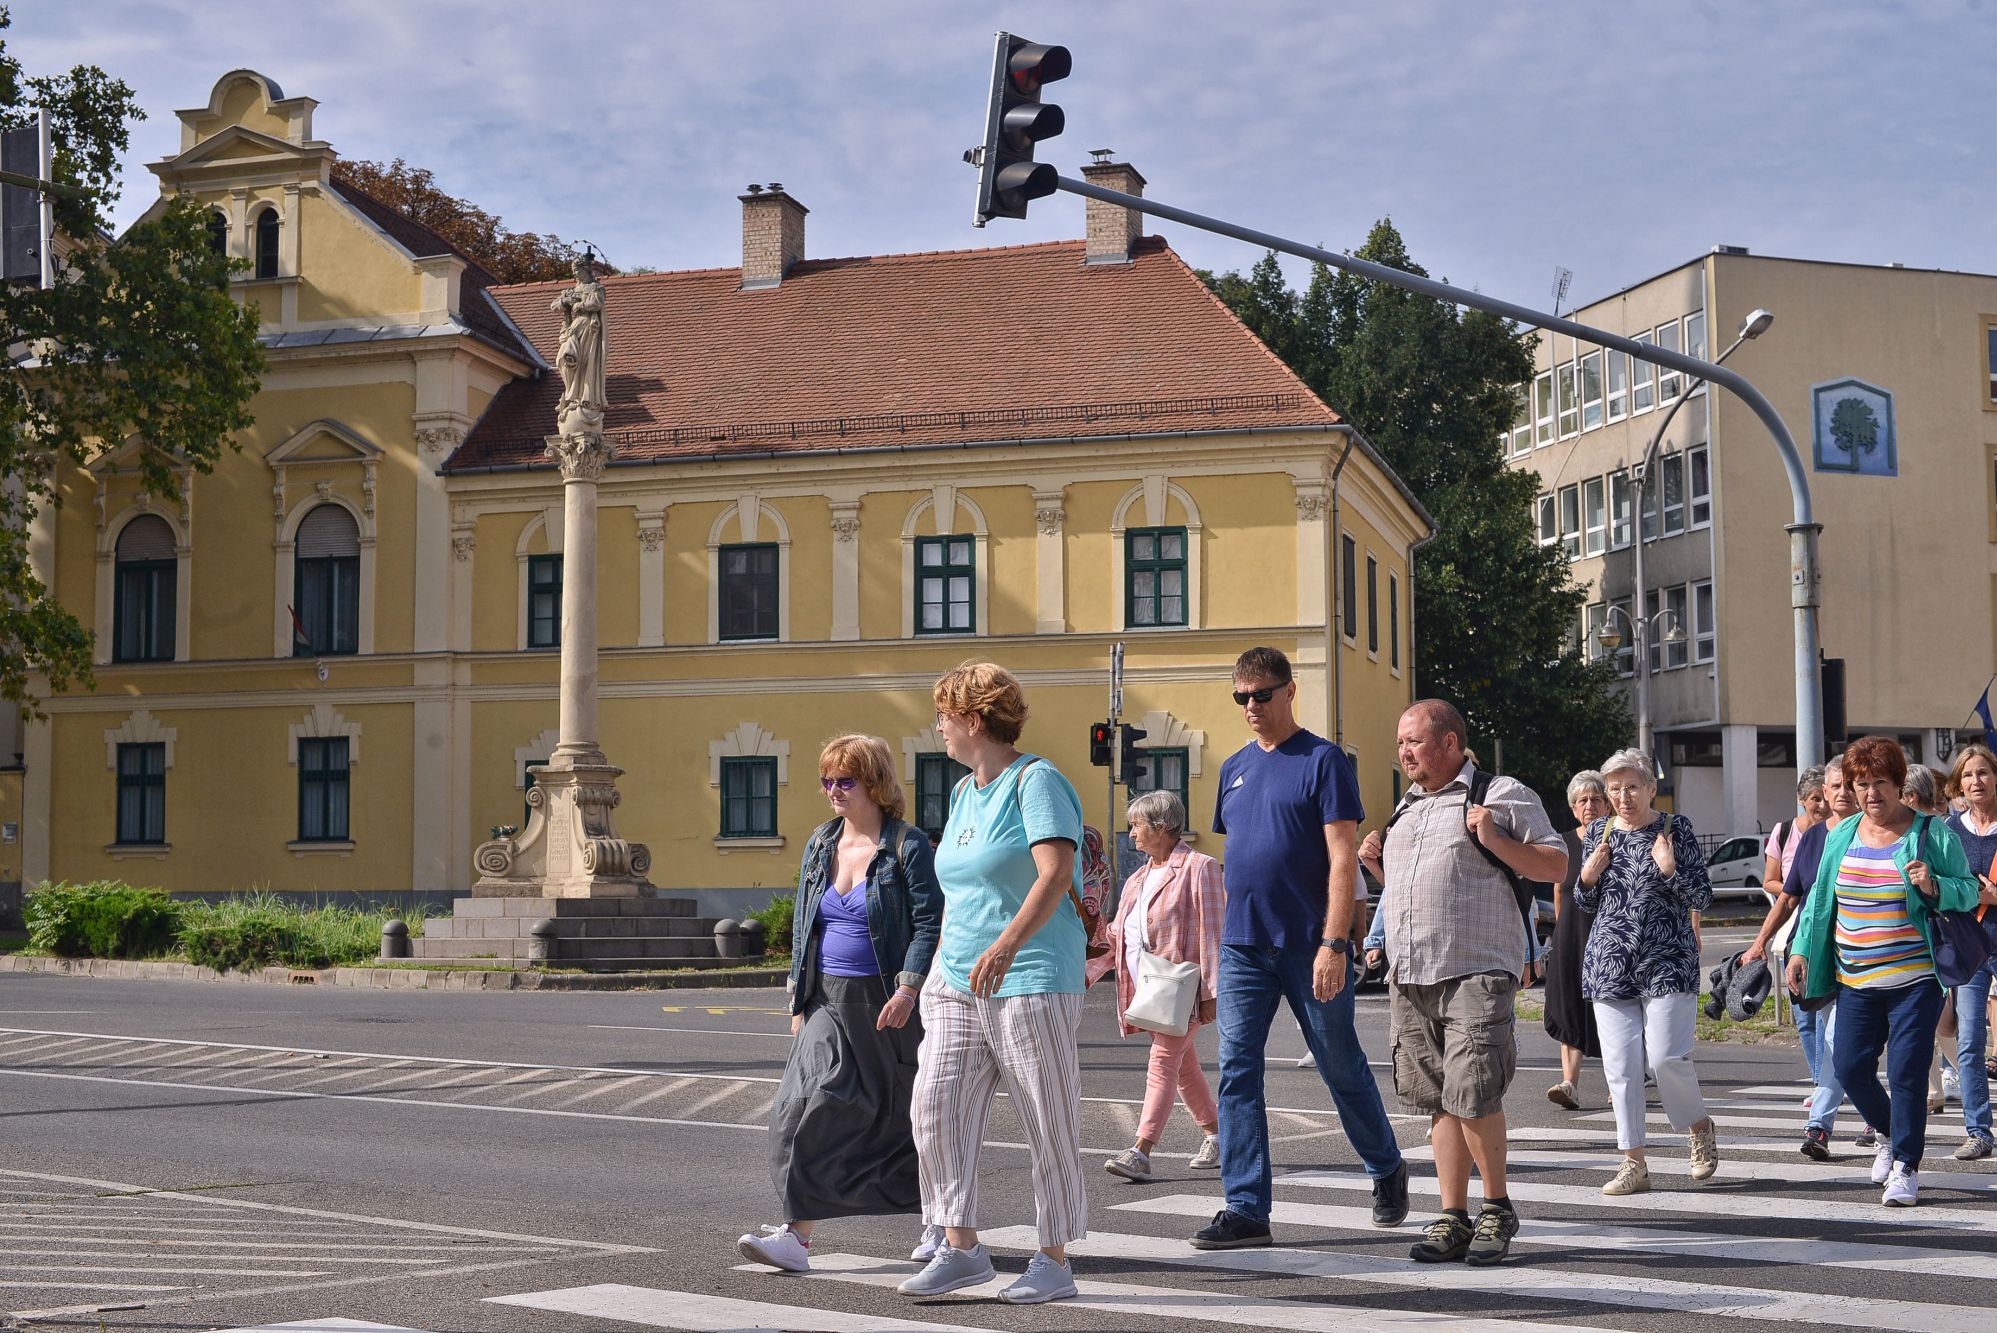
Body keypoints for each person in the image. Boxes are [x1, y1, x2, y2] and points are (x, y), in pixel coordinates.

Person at [1192, 646, 1409, 1252]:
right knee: (1236, 1070)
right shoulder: (1233, 766)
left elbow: (1344, 860)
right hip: (1242, 944)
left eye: (1262, 694)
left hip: (1309, 943)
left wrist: (1335, 943)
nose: (1252, 707)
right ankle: (1245, 1207)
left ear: (1289, 692)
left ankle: (1386, 1166)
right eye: (1242, 698)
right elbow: (1244, 855)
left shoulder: (1323, 760)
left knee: (1340, 1065)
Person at [901, 662, 1089, 1305]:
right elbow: (960, 889)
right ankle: (961, 1248)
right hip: (955, 980)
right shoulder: (962, 793)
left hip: (1031, 975)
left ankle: (1054, 1257)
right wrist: (930, 970)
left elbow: (1056, 874)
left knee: (1046, 1116)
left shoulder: (1036, 783)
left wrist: (1007, 945)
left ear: (975, 721)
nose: (939, 730)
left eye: (944, 718)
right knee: (935, 1108)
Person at [1361, 701, 1567, 1266]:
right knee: (1438, 1100)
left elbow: (1555, 865)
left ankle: (1497, 1206)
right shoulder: (1406, 808)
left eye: (1414, 742)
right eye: (1400, 743)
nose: (1404, 753)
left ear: (1450, 742)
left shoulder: (1499, 794)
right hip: (1411, 973)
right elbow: (1420, 888)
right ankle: (1452, 1215)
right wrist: (1378, 867)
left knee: (1474, 1091)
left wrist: (1496, 839)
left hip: (1476, 967)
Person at [739, 735, 943, 1274]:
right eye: (826, 780)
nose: (832, 790)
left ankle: (940, 1223)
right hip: (826, 999)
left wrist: (908, 988)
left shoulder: (907, 846)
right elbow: (808, 920)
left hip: (886, 1000)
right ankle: (796, 1236)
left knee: (898, 1117)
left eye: (844, 780)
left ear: (874, 783)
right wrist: (796, 997)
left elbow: (929, 923)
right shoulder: (820, 843)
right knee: (798, 1110)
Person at [1785, 736, 1980, 1206]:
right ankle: (1893, 1134)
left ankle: (1907, 1167)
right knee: (1850, 1066)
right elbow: (1818, 902)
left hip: (1915, 980)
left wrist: (1935, 885)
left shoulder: (1933, 834)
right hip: (1855, 980)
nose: (1871, 793)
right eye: (1861, 784)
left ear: (1898, 785)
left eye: (1880, 783)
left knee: (1908, 1073)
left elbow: (1969, 891)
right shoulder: (1841, 835)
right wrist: (1800, 951)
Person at [1574, 748, 1718, 1196]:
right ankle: (1633, 1161)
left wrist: (1670, 870)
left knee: (1664, 1058)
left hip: (1667, 962)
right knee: (1620, 1067)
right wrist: (1586, 880)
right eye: (1614, 788)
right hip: (1611, 961)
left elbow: (1703, 896)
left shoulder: (1677, 829)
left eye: (1632, 787)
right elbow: (1584, 905)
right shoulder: (1598, 833)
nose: (1623, 796)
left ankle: (1698, 1126)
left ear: (1651, 789)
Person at [1101, 789, 1224, 1183]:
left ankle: (1141, 1150)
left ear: (1162, 827)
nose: (1131, 834)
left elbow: (1212, 933)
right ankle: (1218, 1135)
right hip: (1149, 991)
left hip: (1181, 990)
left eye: (1137, 826)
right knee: (1183, 1067)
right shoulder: (1138, 877)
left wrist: (1210, 993)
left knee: (1162, 1062)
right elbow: (1119, 934)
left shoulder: (1199, 867)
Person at [1743, 764, 1845, 1159]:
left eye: (1846, 785)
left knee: (1843, 1041)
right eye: (1833, 787)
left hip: (1866, 957)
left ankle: (1826, 1124)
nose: (1840, 794)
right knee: (1834, 1041)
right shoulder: (1813, 837)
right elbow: (1789, 897)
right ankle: (1836, 1122)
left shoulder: (1873, 835)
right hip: (1816, 954)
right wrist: (1760, 943)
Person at [1544, 771, 1610, 1110]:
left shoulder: (1615, 840)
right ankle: (1569, 1083)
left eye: (1596, 799)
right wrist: (1560, 931)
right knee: (1568, 1006)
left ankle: (1620, 1082)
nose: (1589, 805)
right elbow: (1558, 889)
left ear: (1606, 804)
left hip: (1607, 936)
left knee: (1610, 1008)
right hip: (1570, 935)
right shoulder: (1564, 842)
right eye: (1582, 800)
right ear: (1572, 808)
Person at [1944, 743, 1997, 1160]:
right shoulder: (1950, 830)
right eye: (1967, 775)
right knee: (1969, 1042)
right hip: (1971, 944)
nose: (1975, 781)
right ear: (1957, 783)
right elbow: (1944, 886)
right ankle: (1979, 1131)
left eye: (1982, 773)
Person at [1761, 767, 1832, 910]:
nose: (1823, 806)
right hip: (1792, 914)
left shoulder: (1840, 831)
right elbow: (1769, 882)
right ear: (1801, 799)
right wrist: (1800, 894)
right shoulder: (1783, 831)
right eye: (1816, 799)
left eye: (1826, 799)